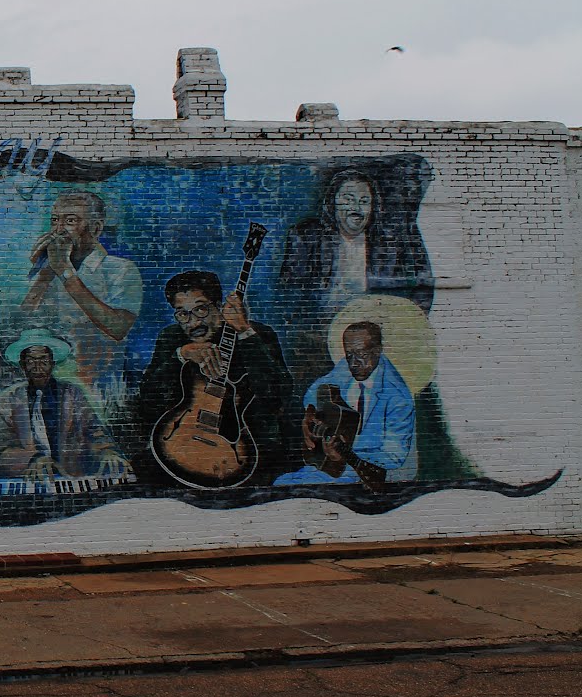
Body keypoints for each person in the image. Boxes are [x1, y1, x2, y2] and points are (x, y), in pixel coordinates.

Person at [136, 270, 294, 485]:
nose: (192, 323)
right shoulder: (171, 338)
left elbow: (277, 396)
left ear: (219, 306)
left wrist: (244, 332)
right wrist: (181, 356)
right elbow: (147, 403)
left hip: (247, 451)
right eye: (182, 314)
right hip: (181, 446)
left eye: (200, 309)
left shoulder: (258, 334)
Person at [20, 192, 142, 390]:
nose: (58, 230)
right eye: (54, 221)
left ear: (96, 228)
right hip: (53, 381)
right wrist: (45, 273)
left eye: (70, 220)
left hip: (101, 381)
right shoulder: (50, 270)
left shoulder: (119, 269)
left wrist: (65, 272)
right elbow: (23, 319)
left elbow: (118, 327)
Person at [275, 321, 417, 488]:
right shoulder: (347, 365)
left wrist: (346, 454)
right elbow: (314, 392)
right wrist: (310, 414)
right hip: (334, 466)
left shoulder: (398, 399)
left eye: (362, 355)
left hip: (368, 476)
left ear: (377, 351)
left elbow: (393, 457)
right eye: (349, 354)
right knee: (282, 483)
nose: (354, 363)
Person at [0, 330, 132, 491]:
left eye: (43, 359)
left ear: (53, 362)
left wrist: (107, 452)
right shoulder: (8, 399)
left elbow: (94, 431)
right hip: (32, 483)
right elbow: (1, 452)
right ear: (23, 365)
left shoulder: (72, 394)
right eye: (31, 361)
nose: (37, 366)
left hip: (73, 481)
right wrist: (33, 459)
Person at [279, 169, 433, 313]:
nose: (356, 208)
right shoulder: (307, 238)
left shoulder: (389, 246)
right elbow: (290, 294)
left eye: (364, 201)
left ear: (373, 207)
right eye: (348, 199)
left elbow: (423, 285)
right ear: (333, 203)